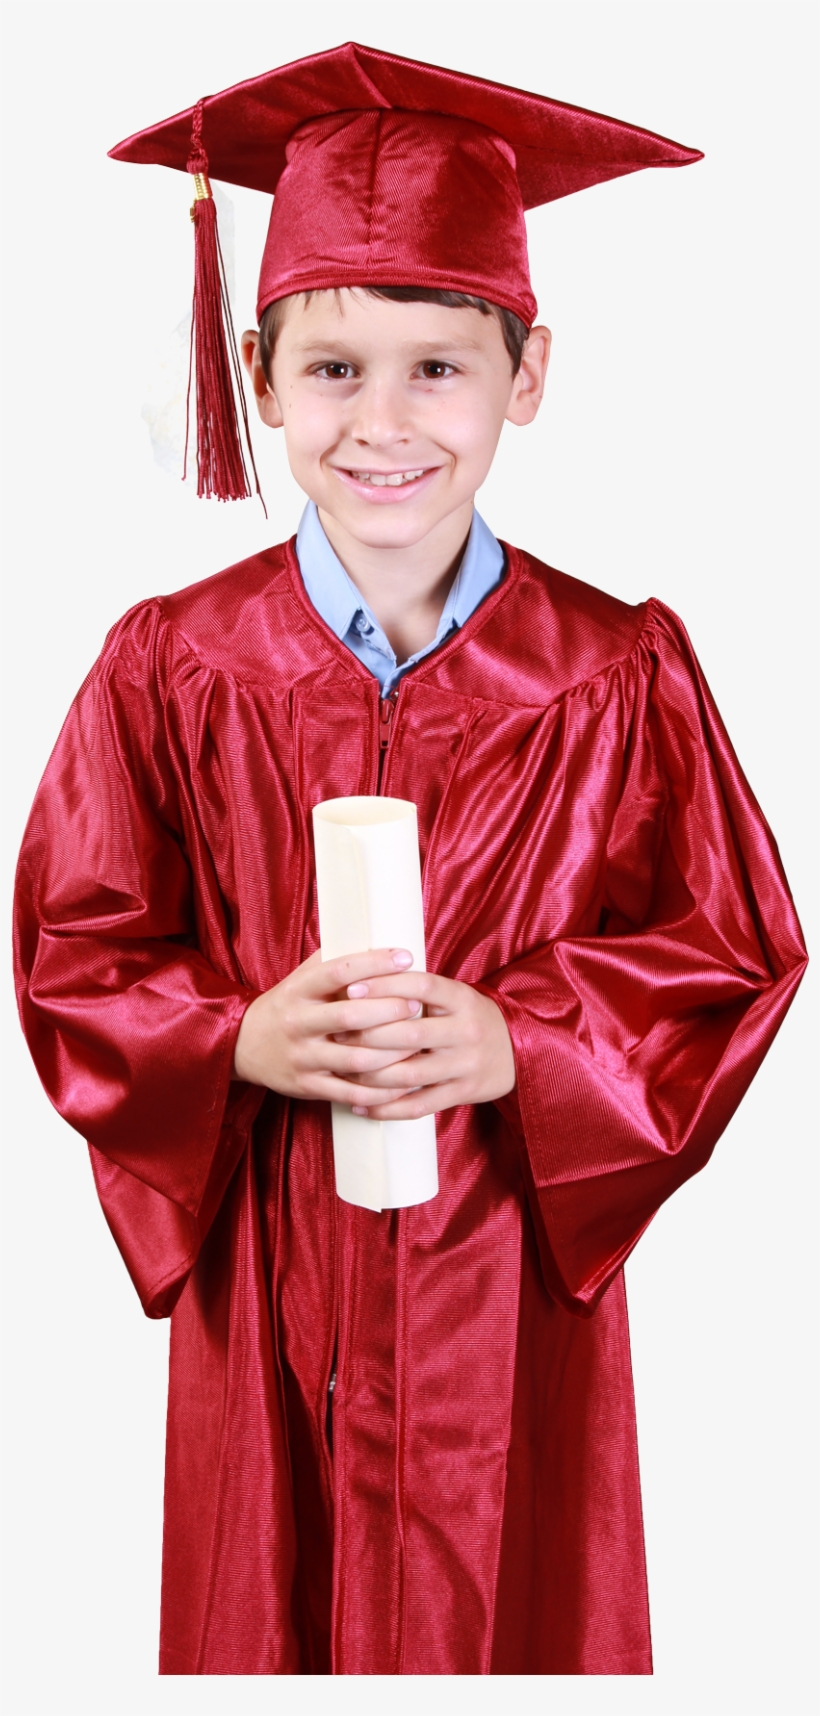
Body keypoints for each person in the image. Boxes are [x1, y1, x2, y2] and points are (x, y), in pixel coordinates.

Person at [12, 41, 806, 1677]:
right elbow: (74, 946)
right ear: (258, 374)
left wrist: (531, 1045)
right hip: (272, 1274)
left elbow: (730, 949)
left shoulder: (617, 670)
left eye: (438, 367)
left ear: (528, 374)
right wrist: (233, 1038)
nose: (382, 422)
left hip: (503, 1285)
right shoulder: (171, 666)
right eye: (333, 369)